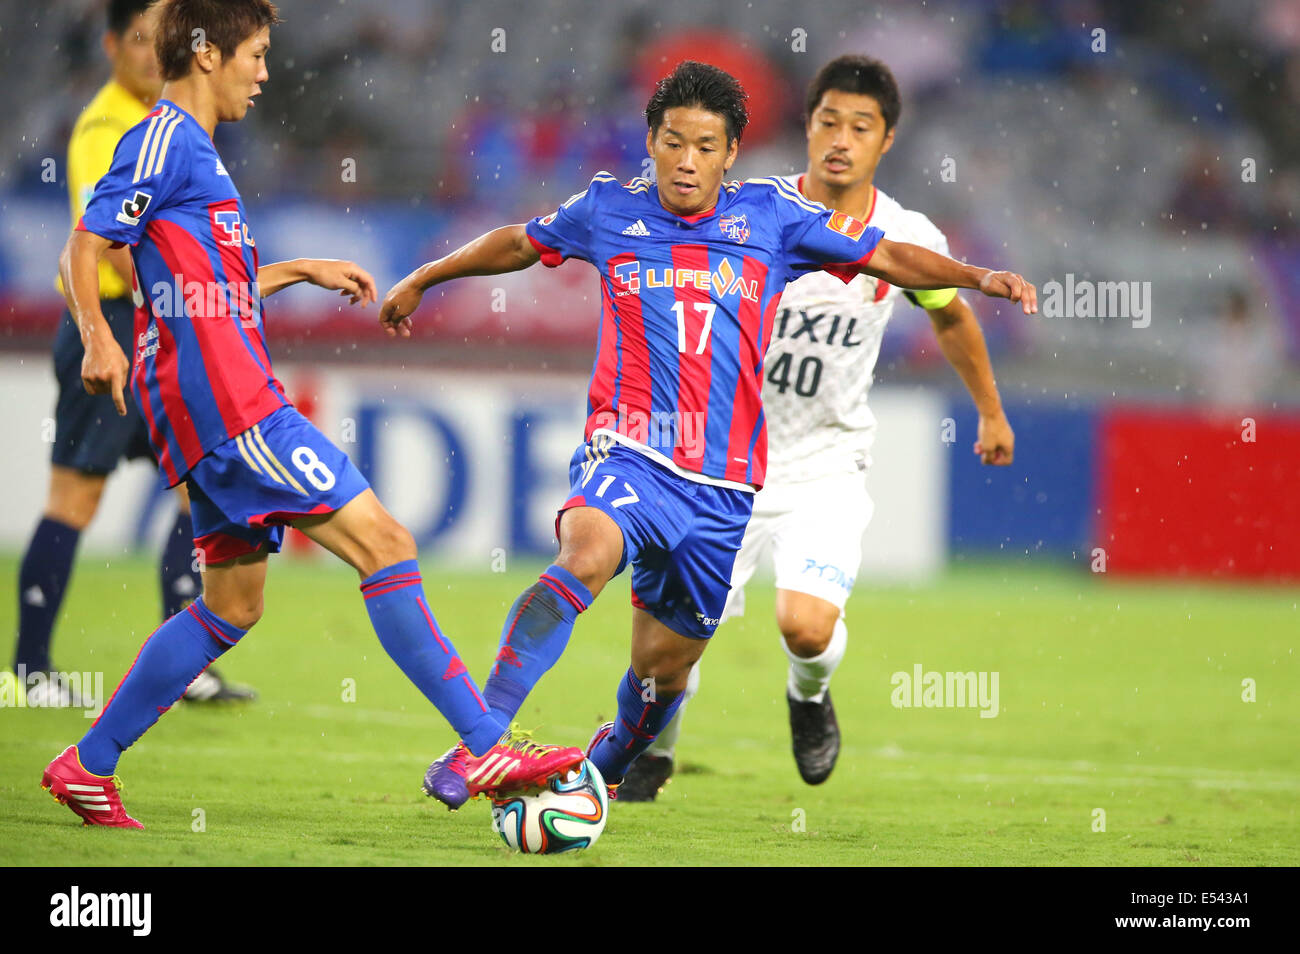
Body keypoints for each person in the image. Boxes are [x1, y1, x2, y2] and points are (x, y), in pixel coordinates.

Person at [380, 59, 1037, 802]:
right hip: (632, 448)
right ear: (650, 141)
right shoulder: (606, 209)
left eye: (704, 147)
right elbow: (521, 242)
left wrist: (977, 276)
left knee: (664, 673)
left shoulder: (772, 218)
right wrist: (425, 277)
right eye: (671, 142)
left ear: (730, 154)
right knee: (585, 551)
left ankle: (604, 770)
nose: (686, 162)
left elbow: (886, 253)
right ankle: (484, 741)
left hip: (726, 487)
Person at [41, 0, 582, 829]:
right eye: (255, 54)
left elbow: (206, 285)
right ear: (209, 54)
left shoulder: (199, 156)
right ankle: (481, 744)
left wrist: (296, 269)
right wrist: (95, 340)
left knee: (232, 605)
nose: (264, 72)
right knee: (387, 544)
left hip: (211, 404)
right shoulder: (162, 137)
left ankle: (88, 763)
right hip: (230, 404)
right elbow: (86, 242)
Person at [622, 54, 1017, 800]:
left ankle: (808, 695)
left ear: (886, 140)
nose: (840, 139)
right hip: (719, 465)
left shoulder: (902, 233)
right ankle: (655, 752)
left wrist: (990, 411)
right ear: (807, 125)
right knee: (664, 656)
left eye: (859, 127)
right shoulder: (750, 211)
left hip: (825, 464)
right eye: (828, 121)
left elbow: (953, 316)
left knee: (805, 626)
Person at [6, 0, 253, 707]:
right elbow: (102, 244)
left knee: (194, 493)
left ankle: (185, 666)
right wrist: (106, 329)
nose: (154, 53)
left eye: (164, 39)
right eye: (140, 39)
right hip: (109, 328)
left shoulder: (172, 129)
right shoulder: (107, 125)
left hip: (161, 335)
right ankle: (27, 668)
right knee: (76, 499)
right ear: (111, 44)